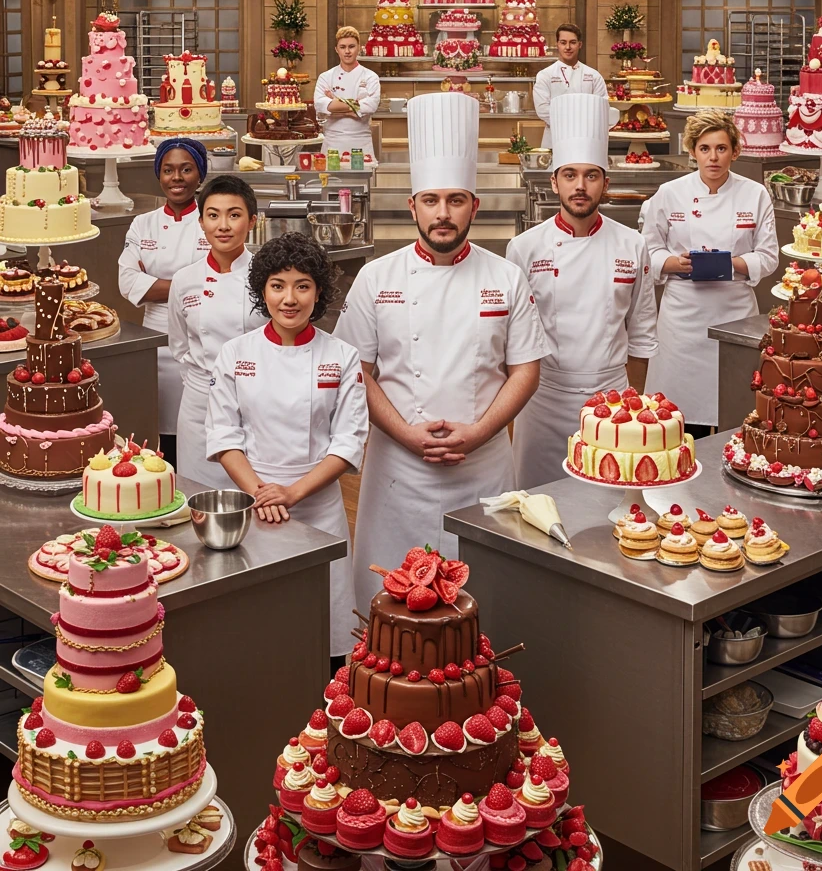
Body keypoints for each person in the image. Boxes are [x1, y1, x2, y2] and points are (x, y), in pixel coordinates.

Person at [335, 91, 548, 607]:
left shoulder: (506, 276)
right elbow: (357, 370)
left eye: (455, 200)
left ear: (474, 205)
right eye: (431, 201)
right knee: (388, 608)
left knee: (484, 604)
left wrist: (477, 432)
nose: (443, 214)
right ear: (413, 206)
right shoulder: (375, 277)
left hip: (483, 466)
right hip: (396, 470)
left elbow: (525, 369)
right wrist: (407, 434)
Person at [206, 233, 365, 659]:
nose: (289, 298)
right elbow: (225, 436)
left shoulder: (342, 356)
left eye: (302, 285)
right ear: (262, 290)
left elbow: (349, 442)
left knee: (327, 623)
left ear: (319, 291)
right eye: (277, 285)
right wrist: (263, 492)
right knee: (261, 622)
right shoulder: (236, 353)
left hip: (320, 509)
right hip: (254, 507)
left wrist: (292, 492)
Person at [507, 94, 658, 488]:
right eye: (570, 175)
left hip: (612, 402)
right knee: (535, 502)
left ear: (605, 183)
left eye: (591, 175)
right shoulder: (524, 248)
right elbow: (513, 340)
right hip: (543, 399)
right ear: (553, 180)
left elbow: (641, 333)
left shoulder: (631, 244)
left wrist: (631, 404)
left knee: (606, 504)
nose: (580, 186)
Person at [642, 110, 778, 436]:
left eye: (721, 148)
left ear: (735, 151)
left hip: (735, 311)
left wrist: (731, 264)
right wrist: (676, 264)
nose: (713, 157)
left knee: (737, 406)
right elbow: (647, 250)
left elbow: (769, 256)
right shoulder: (670, 193)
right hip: (682, 318)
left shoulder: (755, 194)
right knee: (677, 414)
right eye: (704, 149)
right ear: (692, 151)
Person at [117, 139, 210, 468]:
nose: (177, 178)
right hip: (155, 342)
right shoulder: (144, 224)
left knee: (204, 433)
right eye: (168, 170)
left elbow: (223, 279)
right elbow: (127, 282)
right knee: (162, 435)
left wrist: (154, 282)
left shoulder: (212, 219)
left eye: (187, 169)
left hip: (205, 339)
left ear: (199, 175)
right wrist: (193, 284)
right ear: (159, 174)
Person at [168, 175, 266, 486]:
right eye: (213, 215)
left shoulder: (268, 278)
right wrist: (202, 383)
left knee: (255, 497)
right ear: (201, 222)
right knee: (198, 496)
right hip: (200, 405)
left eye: (234, 215)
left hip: (257, 400)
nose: (223, 225)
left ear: (251, 221)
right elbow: (179, 346)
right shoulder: (184, 280)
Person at [533, 23, 608, 149]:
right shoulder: (545, 75)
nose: (568, 47)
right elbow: (543, 110)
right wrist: (573, 124)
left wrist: (581, 128)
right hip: (555, 140)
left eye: (572, 42)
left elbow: (602, 107)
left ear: (580, 45)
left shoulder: (593, 76)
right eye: (563, 42)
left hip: (586, 140)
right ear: (557, 44)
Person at [314, 26, 381, 161]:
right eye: (343, 47)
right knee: (331, 181)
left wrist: (336, 106)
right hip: (332, 142)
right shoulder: (325, 77)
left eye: (351, 46)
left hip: (361, 141)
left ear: (359, 48)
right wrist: (354, 108)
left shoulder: (370, 76)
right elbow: (320, 104)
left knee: (362, 181)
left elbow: (371, 105)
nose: (347, 51)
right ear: (336, 49)